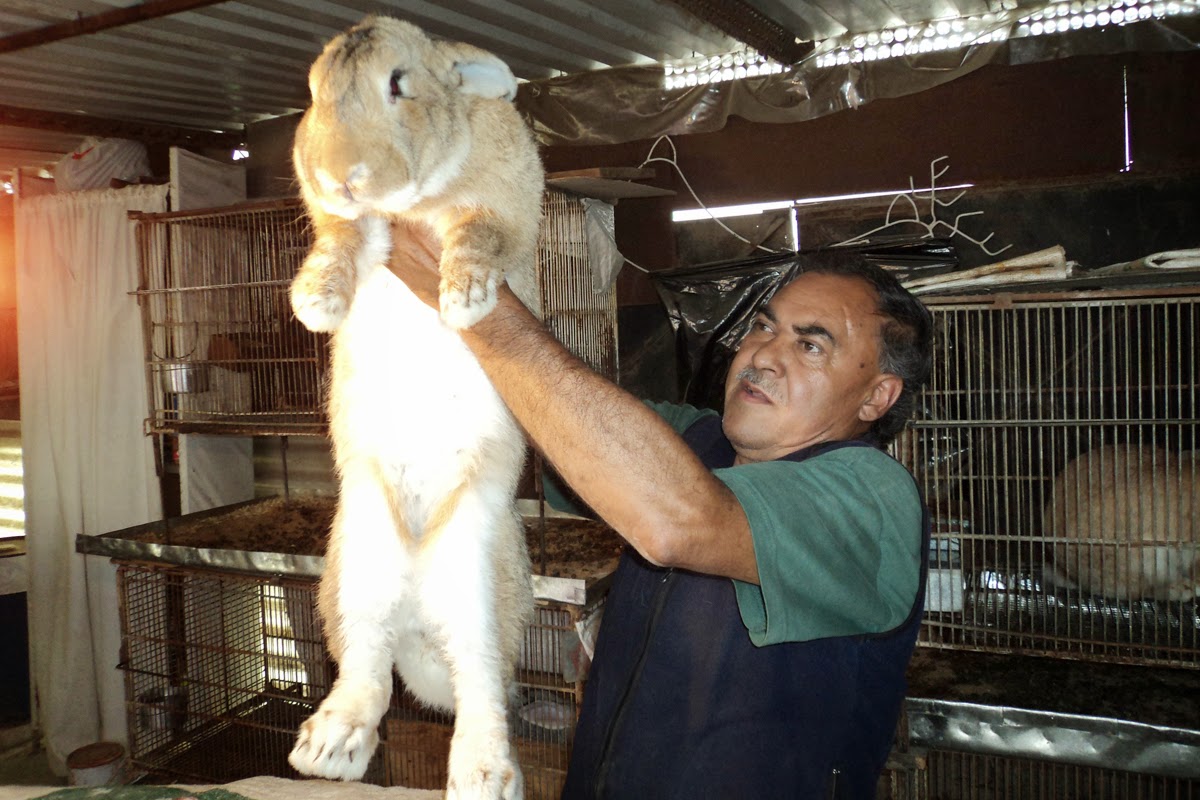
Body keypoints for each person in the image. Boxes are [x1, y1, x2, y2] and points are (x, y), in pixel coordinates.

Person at [385, 224, 934, 800]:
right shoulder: (698, 441)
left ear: (876, 396)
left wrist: (483, 305)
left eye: (810, 344)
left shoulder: (870, 496)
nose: (764, 355)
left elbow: (678, 521)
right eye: (763, 326)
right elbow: (558, 424)